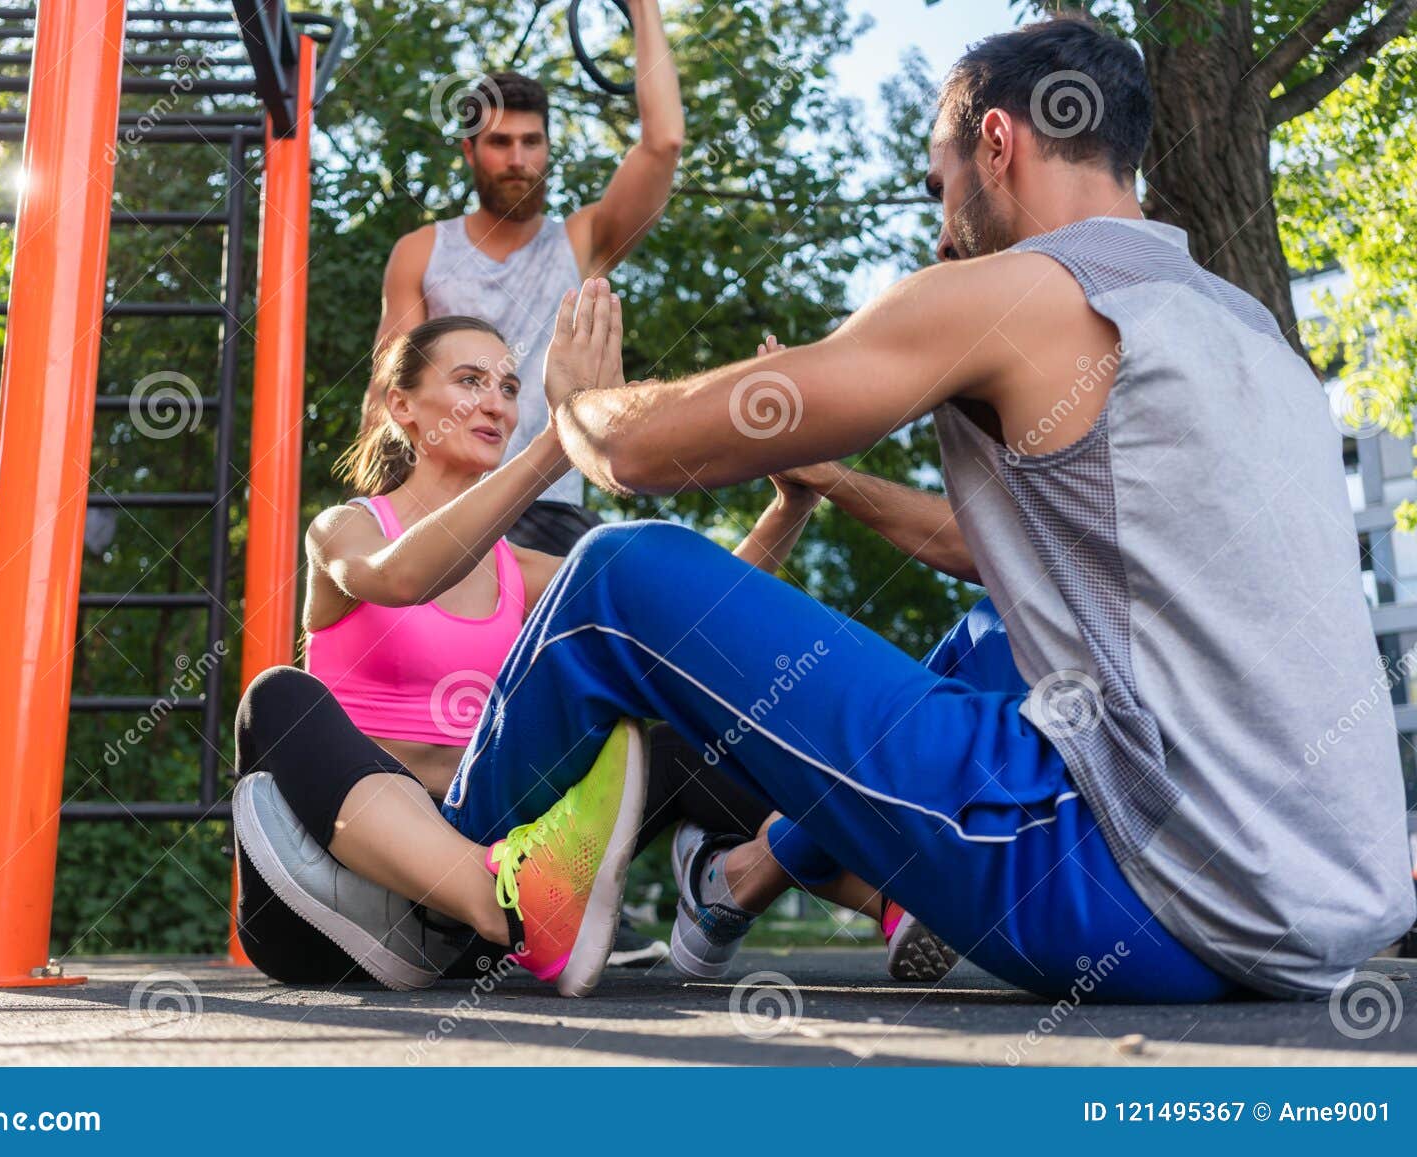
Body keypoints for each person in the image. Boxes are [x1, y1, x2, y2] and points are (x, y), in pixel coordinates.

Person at [429, 14, 1416, 1002]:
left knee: (619, 575)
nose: (944, 228)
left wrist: (578, 403)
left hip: (1143, 900)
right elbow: (1005, 555)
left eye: (941, 186)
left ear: (996, 144)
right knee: (999, 633)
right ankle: (731, 878)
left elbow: (635, 453)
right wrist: (833, 480)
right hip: (1314, 910)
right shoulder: (1242, 330)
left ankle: (422, 886)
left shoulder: (1012, 292)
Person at [231, 316, 899, 995]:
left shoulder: (516, 571)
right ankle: (501, 901)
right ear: (402, 405)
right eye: (470, 381)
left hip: (471, 918)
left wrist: (790, 504)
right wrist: (565, 434)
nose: (496, 402)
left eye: (510, 386)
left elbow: (692, 620)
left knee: (681, 737)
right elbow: (404, 578)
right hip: (330, 909)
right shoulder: (346, 528)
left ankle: (901, 897)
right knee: (277, 697)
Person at [371, 6, 683, 556]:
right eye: (499, 142)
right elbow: (387, 389)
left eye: (531, 141)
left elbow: (664, 145)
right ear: (470, 150)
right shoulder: (421, 251)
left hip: (549, 502)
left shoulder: (584, 242)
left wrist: (643, 8)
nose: (518, 159)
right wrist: (382, 507)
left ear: (547, 148)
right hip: (443, 499)